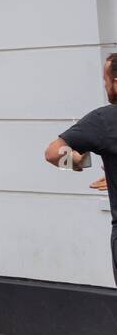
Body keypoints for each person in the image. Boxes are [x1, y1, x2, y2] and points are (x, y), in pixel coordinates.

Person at [45, 52, 117, 285]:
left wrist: (76, 162)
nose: (104, 84)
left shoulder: (105, 120)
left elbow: (53, 153)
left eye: (105, 78)